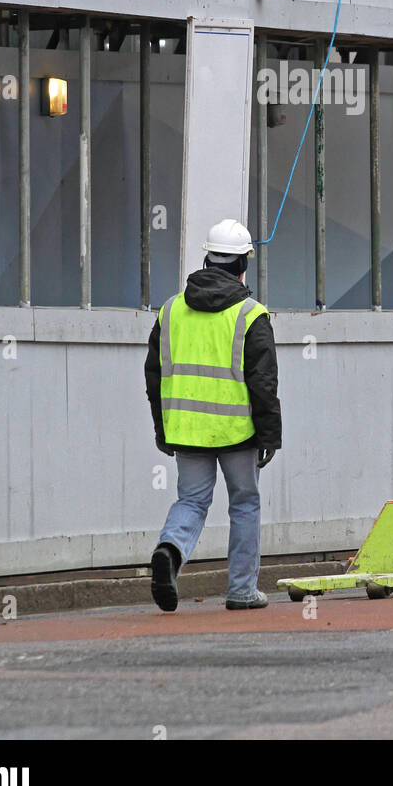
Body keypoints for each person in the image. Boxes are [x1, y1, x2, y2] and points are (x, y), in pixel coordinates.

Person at [144, 218, 281, 612]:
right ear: (243, 266)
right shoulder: (251, 315)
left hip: (187, 430)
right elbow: (263, 384)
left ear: (206, 260)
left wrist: (162, 429)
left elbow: (154, 376)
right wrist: (270, 436)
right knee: (244, 504)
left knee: (190, 501)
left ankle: (170, 550)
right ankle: (241, 591)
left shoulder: (171, 311)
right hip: (238, 432)